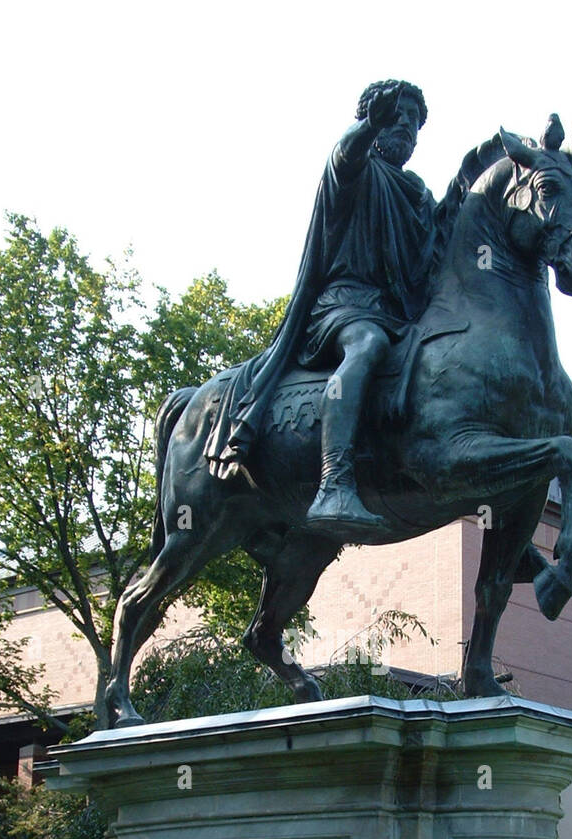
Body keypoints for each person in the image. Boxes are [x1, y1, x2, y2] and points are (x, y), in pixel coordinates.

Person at [203, 81, 505, 535]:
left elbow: (439, 244)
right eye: (398, 115)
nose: (408, 126)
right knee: (367, 345)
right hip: (342, 308)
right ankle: (334, 480)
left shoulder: (417, 194)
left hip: (399, 316)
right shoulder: (353, 168)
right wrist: (368, 124)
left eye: (415, 121)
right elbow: (348, 150)